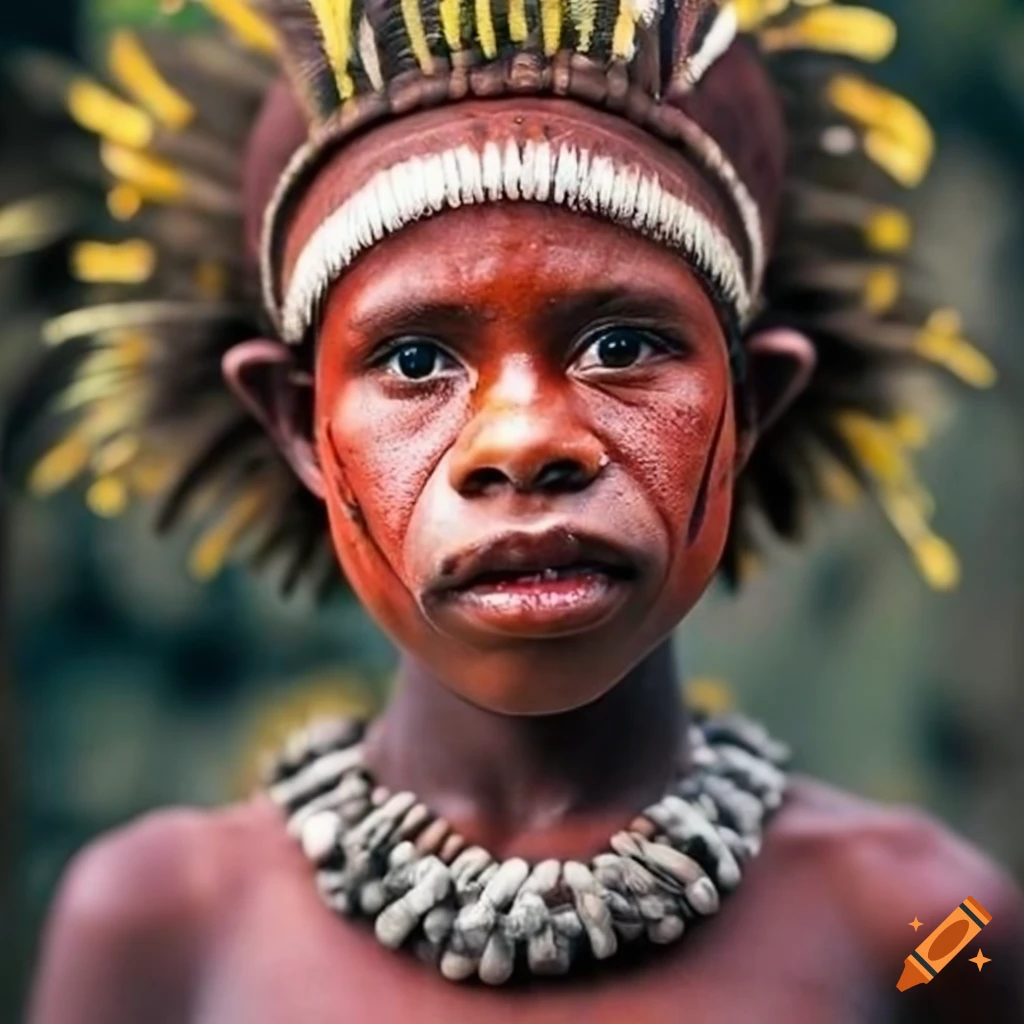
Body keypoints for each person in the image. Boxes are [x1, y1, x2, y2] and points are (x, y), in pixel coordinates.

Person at [15, 0, 1023, 1020]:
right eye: (414, 361)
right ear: (297, 423)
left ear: (751, 399)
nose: (522, 441)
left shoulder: (933, 934)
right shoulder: (161, 926)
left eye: (622, 347)